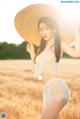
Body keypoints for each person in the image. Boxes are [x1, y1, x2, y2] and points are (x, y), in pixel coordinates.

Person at [26, 17, 80, 119]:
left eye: (46, 28)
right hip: (46, 90)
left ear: (54, 29)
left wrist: (77, 32)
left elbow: (77, 53)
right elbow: (39, 65)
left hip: (57, 89)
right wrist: (32, 53)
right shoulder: (42, 47)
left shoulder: (59, 44)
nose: (43, 32)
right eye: (41, 29)